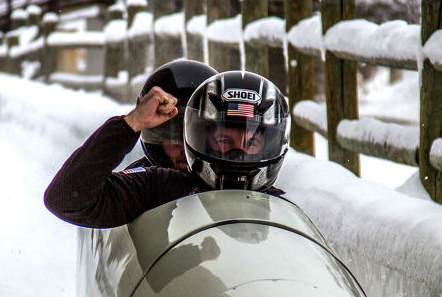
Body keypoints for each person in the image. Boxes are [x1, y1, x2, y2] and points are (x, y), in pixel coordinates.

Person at [44, 70, 290, 228]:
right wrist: (131, 124)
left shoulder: (281, 210)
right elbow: (64, 200)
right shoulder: (159, 186)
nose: (237, 155)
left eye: (250, 144)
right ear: (200, 139)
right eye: (224, 142)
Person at [128, 59, 217, 171]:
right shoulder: (141, 181)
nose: (185, 149)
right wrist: (132, 122)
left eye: (197, 133)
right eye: (174, 135)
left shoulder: (232, 178)